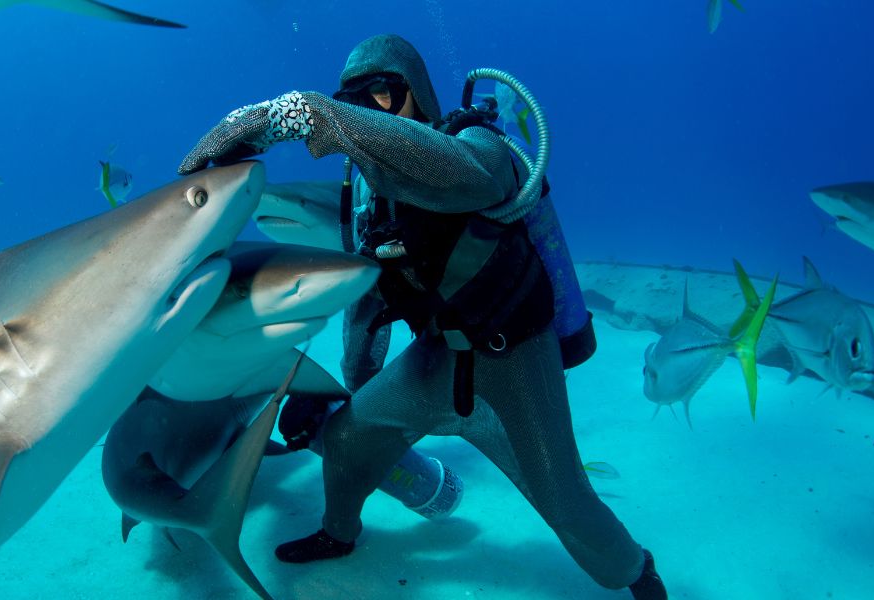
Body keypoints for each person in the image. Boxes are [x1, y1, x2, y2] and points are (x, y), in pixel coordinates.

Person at [178, 33, 667, 599]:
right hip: (436, 358)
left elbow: (464, 177)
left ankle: (635, 570)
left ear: (417, 93)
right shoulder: (370, 195)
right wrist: (354, 391)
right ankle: (338, 533)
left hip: (515, 359)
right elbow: (367, 301)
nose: (370, 109)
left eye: (382, 93)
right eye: (355, 99)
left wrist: (317, 116)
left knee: (562, 495)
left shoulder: (477, 144)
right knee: (348, 437)